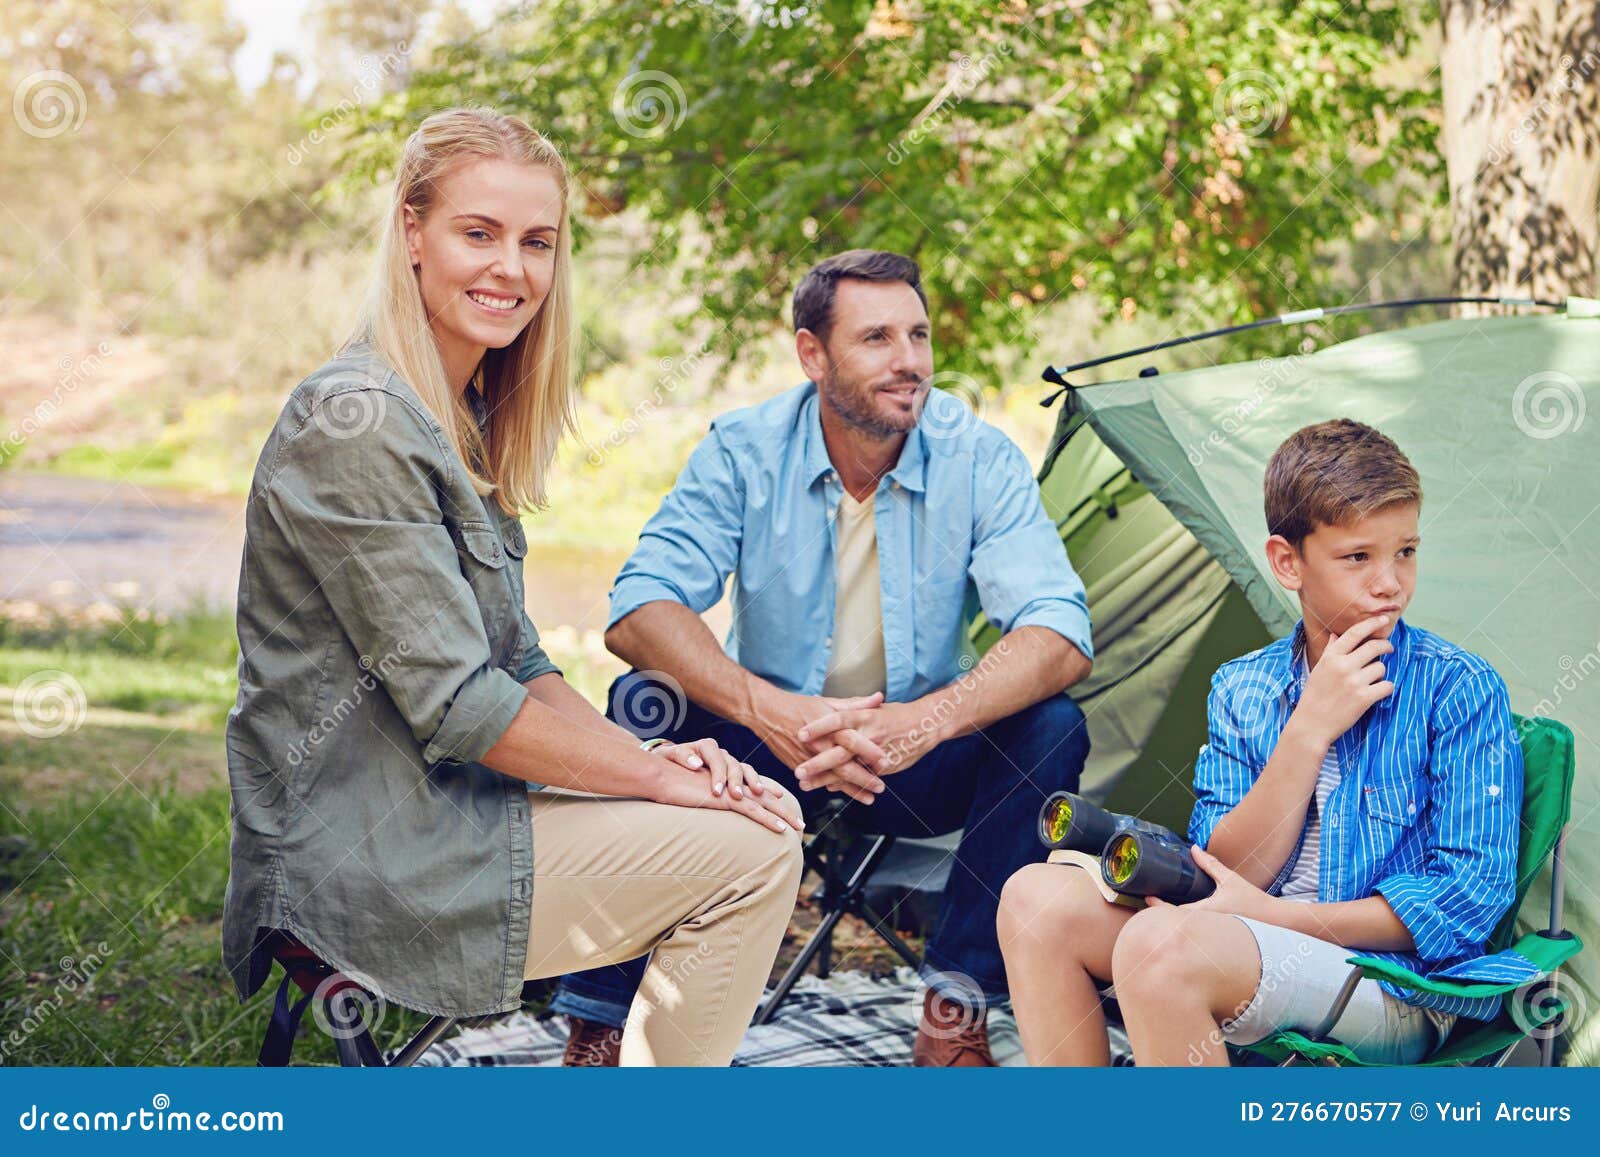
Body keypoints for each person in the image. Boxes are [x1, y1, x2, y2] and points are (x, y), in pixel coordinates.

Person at [222, 108, 805, 1067]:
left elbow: (519, 663)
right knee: (750, 854)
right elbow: (461, 705)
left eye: (537, 242)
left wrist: (673, 764)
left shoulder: (457, 416)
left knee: (743, 814)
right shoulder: (356, 420)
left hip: (457, 813)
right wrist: (659, 777)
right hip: (374, 856)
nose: (513, 269)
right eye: (478, 233)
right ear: (412, 233)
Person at [550, 249, 1095, 1066]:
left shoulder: (977, 455)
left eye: (918, 334)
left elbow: (1059, 631)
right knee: (644, 697)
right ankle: (600, 1017)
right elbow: (639, 606)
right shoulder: (743, 449)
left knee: (1051, 727)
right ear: (813, 355)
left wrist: (924, 721)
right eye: (876, 337)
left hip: (912, 757)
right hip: (758, 753)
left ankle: (955, 1016)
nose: (909, 360)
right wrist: (770, 709)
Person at [998, 418, 1524, 1066]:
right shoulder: (1244, 687)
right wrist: (1306, 731)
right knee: (1033, 899)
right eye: (1358, 556)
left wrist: (1276, 919)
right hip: (1243, 941)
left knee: (1160, 946)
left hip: (1395, 982)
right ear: (1286, 561)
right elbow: (1231, 872)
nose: (1389, 581)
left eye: (1406, 551)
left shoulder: (1460, 690)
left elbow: (1468, 901)